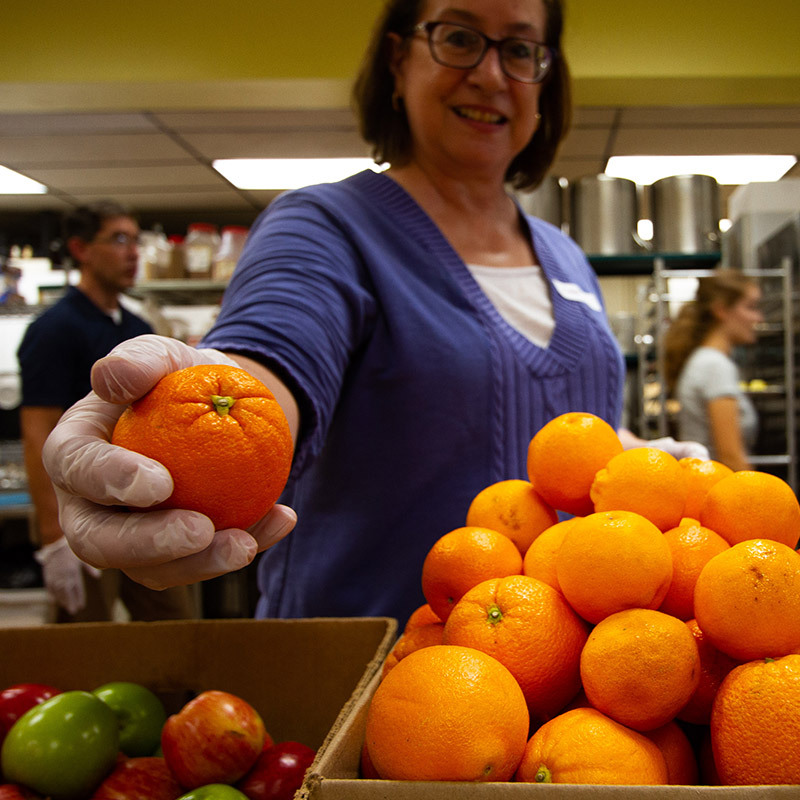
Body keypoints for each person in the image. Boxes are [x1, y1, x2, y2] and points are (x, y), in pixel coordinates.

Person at [40, 0, 705, 628]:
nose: (491, 74)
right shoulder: (326, 226)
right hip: (371, 680)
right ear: (398, 59)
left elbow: (567, 429)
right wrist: (205, 401)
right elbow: (270, 362)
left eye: (522, 49)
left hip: (552, 686)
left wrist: (632, 461)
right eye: (460, 38)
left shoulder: (564, 257)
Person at [17, 201, 196, 622]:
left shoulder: (136, 328)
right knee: (87, 640)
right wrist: (52, 535)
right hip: (80, 509)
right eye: (118, 240)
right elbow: (38, 432)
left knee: (175, 630)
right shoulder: (54, 330)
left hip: (142, 507)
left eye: (136, 241)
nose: (133, 252)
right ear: (80, 249)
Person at [663, 268, 762, 472]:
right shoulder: (714, 366)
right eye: (751, 307)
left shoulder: (703, 359)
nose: (758, 318)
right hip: (713, 487)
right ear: (721, 310)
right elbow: (730, 457)